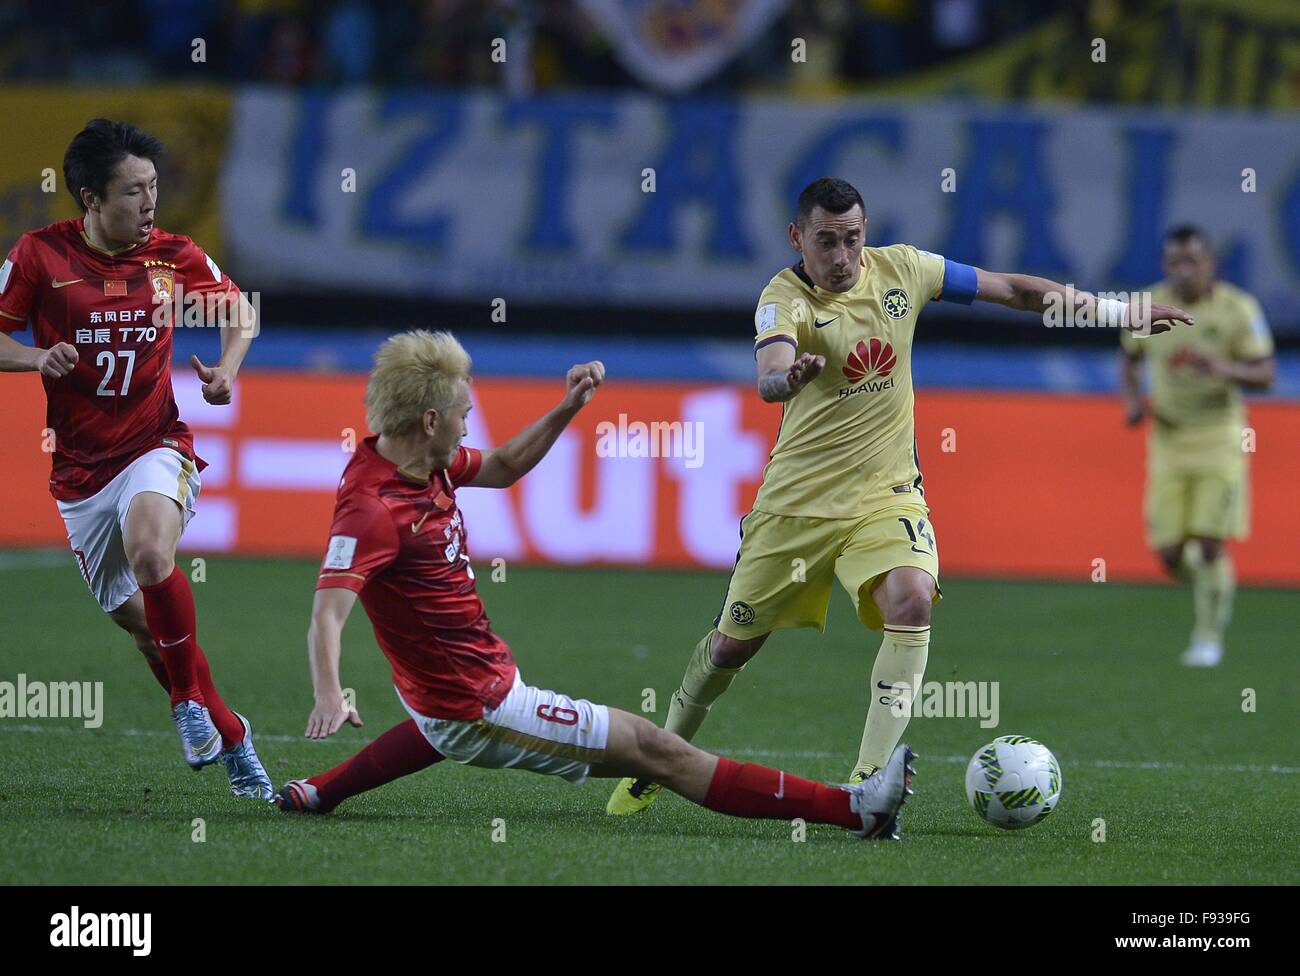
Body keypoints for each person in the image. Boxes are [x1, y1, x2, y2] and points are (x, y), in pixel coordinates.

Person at [607, 176, 1190, 832]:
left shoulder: (905, 269)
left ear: (866, 231)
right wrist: (785, 378)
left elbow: (1016, 290)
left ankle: (866, 787)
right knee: (728, 651)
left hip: (886, 496)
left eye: (852, 238)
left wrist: (1120, 314)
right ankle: (657, 758)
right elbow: (771, 367)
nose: (842, 255)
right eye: (826, 241)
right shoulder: (783, 298)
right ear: (798, 238)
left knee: (911, 596)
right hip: (795, 510)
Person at [274, 329, 913, 841]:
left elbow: (499, 466)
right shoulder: (373, 508)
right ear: (431, 419)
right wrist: (330, 693)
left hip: (449, 691)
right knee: (657, 751)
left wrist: (567, 408)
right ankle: (855, 808)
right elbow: (328, 612)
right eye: (465, 414)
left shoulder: (415, 458)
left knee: (437, 723)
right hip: (482, 706)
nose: (471, 426)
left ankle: (323, 791)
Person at [0, 119, 270, 797]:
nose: (150, 203)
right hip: (80, 477)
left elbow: (242, 311)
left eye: (154, 188)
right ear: (90, 200)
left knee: (152, 553)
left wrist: (228, 371)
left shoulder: (173, 257)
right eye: (133, 192)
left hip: (156, 446)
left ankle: (186, 708)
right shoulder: (38, 257)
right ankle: (232, 732)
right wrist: (35, 356)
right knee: (151, 635)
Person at [1120, 225, 1275, 667]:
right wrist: (1133, 401)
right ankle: (1217, 581)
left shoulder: (1238, 309)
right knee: (1170, 557)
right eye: (1174, 263)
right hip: (1168, 439)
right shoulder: (1147, 307)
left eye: (1192, 262)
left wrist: (1223, 366)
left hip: (1219, 437)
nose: (1183, 271)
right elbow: (1128, 358)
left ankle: (1208, 637)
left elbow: (1265, 374)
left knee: (1209, 543)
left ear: (1211, 265)